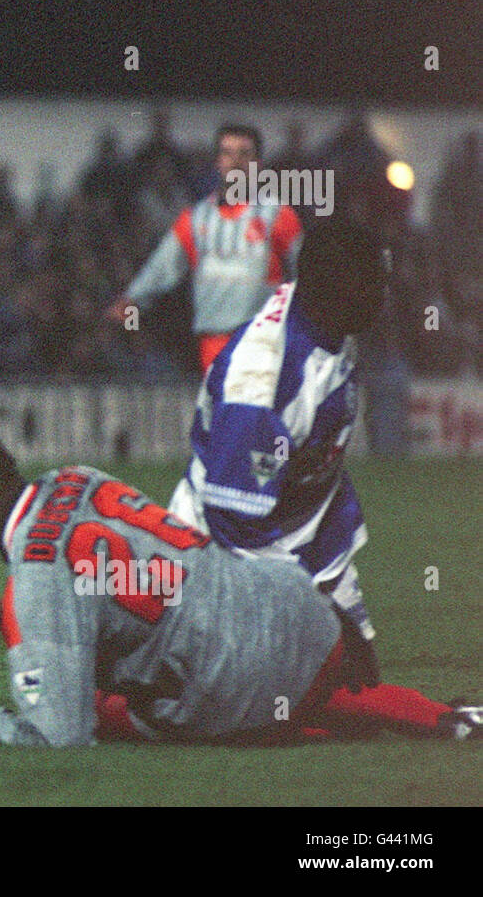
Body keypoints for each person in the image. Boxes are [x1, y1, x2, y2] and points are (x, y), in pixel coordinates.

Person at [0, 430, 481, 745]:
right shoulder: (76, 477)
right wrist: (5, 613)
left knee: (96, 706)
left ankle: (299, 724)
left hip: (242, 684)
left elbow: (60, 737)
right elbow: (122, 576)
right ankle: (442, 718)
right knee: (216, 655)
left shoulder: (36, 584)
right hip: (300, 611)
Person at [167, 220, 389, 683]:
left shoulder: (324, 321)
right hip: (224, 564)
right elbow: (234, 522)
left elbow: (312, 460)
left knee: (362, 684)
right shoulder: (262, 383)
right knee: (304, 703)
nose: (384, 293)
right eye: (376, 281)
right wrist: (312, 607)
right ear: (342, 290)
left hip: (304, 531)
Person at [107, 124, 303, 372]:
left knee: (249, 408)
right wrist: (132, 299)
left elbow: (304, 273)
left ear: (258, 164)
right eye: (228, 153)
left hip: (262, 342)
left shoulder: (279, 216)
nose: (236, 162)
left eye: (245, 153)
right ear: (217, 163)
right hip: (213, 344)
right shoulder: (196, 218)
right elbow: (162, 267)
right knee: (218, 408)